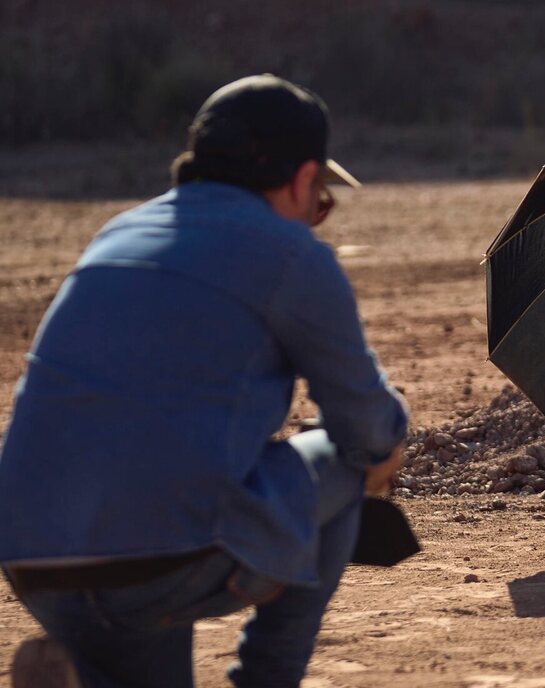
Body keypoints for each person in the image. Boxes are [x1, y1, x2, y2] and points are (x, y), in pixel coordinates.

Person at [0, 75, 410, 686]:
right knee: (346, 460)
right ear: (302, 180)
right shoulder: (292, 256)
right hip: (162, 559)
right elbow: (368, 427)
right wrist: (388, 446)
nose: (315, 215)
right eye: (320, 200)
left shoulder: (117, 233)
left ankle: (84, 674)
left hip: (31, 553)